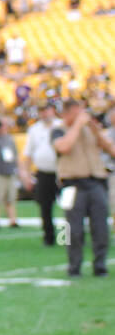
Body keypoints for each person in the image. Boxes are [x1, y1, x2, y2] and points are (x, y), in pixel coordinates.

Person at [53, 99, 115, 276]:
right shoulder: (58, 130)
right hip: (72, 184)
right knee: (73, 229)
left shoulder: (90, 130)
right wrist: (78, 125)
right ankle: (74, 266)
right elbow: (64, 147)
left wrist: (94, 129)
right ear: (67, 113)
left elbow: (110, 149)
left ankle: (100, 265)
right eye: (77, 112)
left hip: (95, 182)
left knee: (101, 227)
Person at [21, 101, 61, 245]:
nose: (44, 113)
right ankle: (48, 237)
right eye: (41, 110)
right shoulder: (34, 129)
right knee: (45, 206)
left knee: (68, 206)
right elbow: (28, 154)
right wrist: (25, 174)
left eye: (47, 110)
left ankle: (68, 238)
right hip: (43, 172)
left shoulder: (61, 125)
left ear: (53, 110)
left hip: (62, 171)